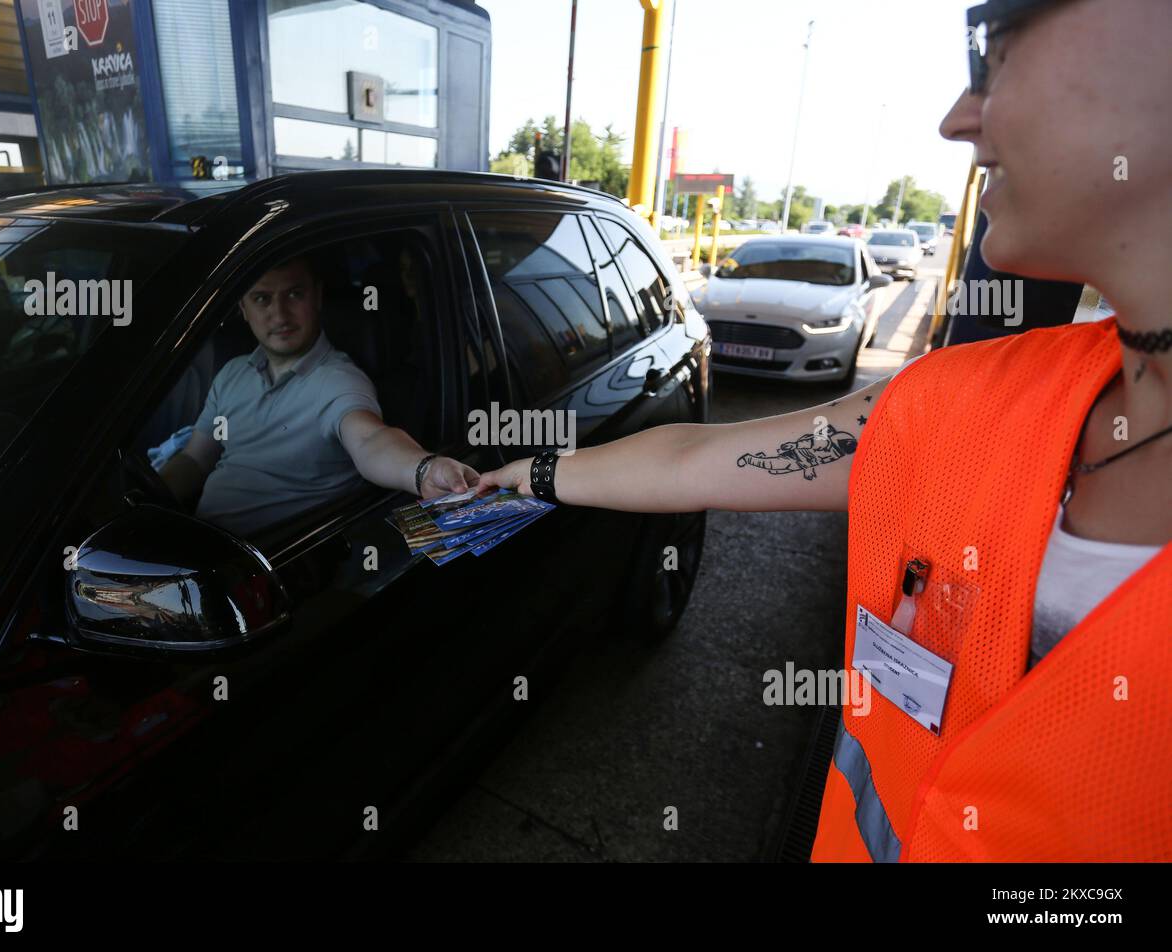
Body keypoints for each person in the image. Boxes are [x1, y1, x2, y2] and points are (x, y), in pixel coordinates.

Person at [479, 0, 1171, 861]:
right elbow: (696, 458)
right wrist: (526, 474)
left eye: (993, 47)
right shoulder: (962, 400)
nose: (958, 118)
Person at [160, 254, 478, 537]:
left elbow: (370, 440)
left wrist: (423, 469)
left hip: (269, 562)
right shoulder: (231, 372)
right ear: (243, 308)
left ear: (318, 297)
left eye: (294, 294)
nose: (280, 313)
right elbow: (195, 459)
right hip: (198, 544)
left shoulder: (337, 379)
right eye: (261, 299)